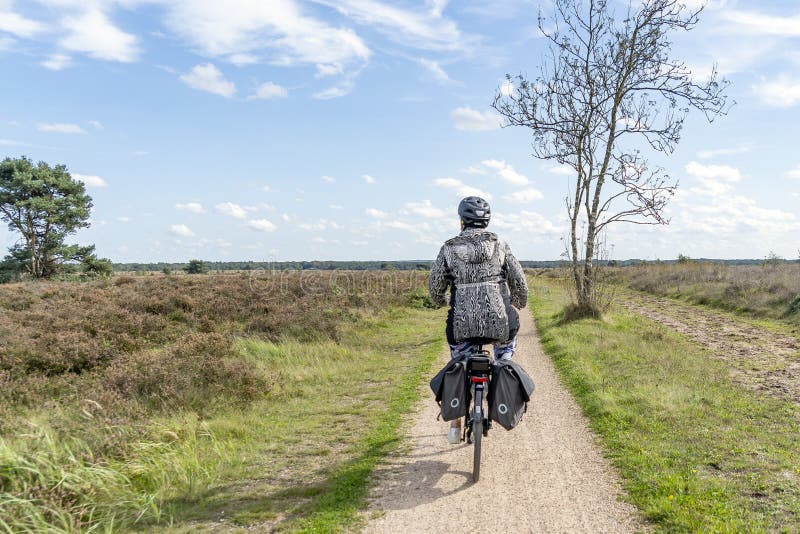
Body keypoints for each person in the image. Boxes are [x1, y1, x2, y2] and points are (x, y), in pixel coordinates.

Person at [429, 196, 528, 444]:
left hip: (462, 325)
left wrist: (441, 301)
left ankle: (455, 423)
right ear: (487, 220)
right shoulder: (501, 246)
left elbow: (435, 286)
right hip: (500, 323)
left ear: (462, 221)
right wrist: (518, 301)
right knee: (504, 355)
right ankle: (502, 388)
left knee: (460, 361)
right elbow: (520, 282)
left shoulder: (449, 248)